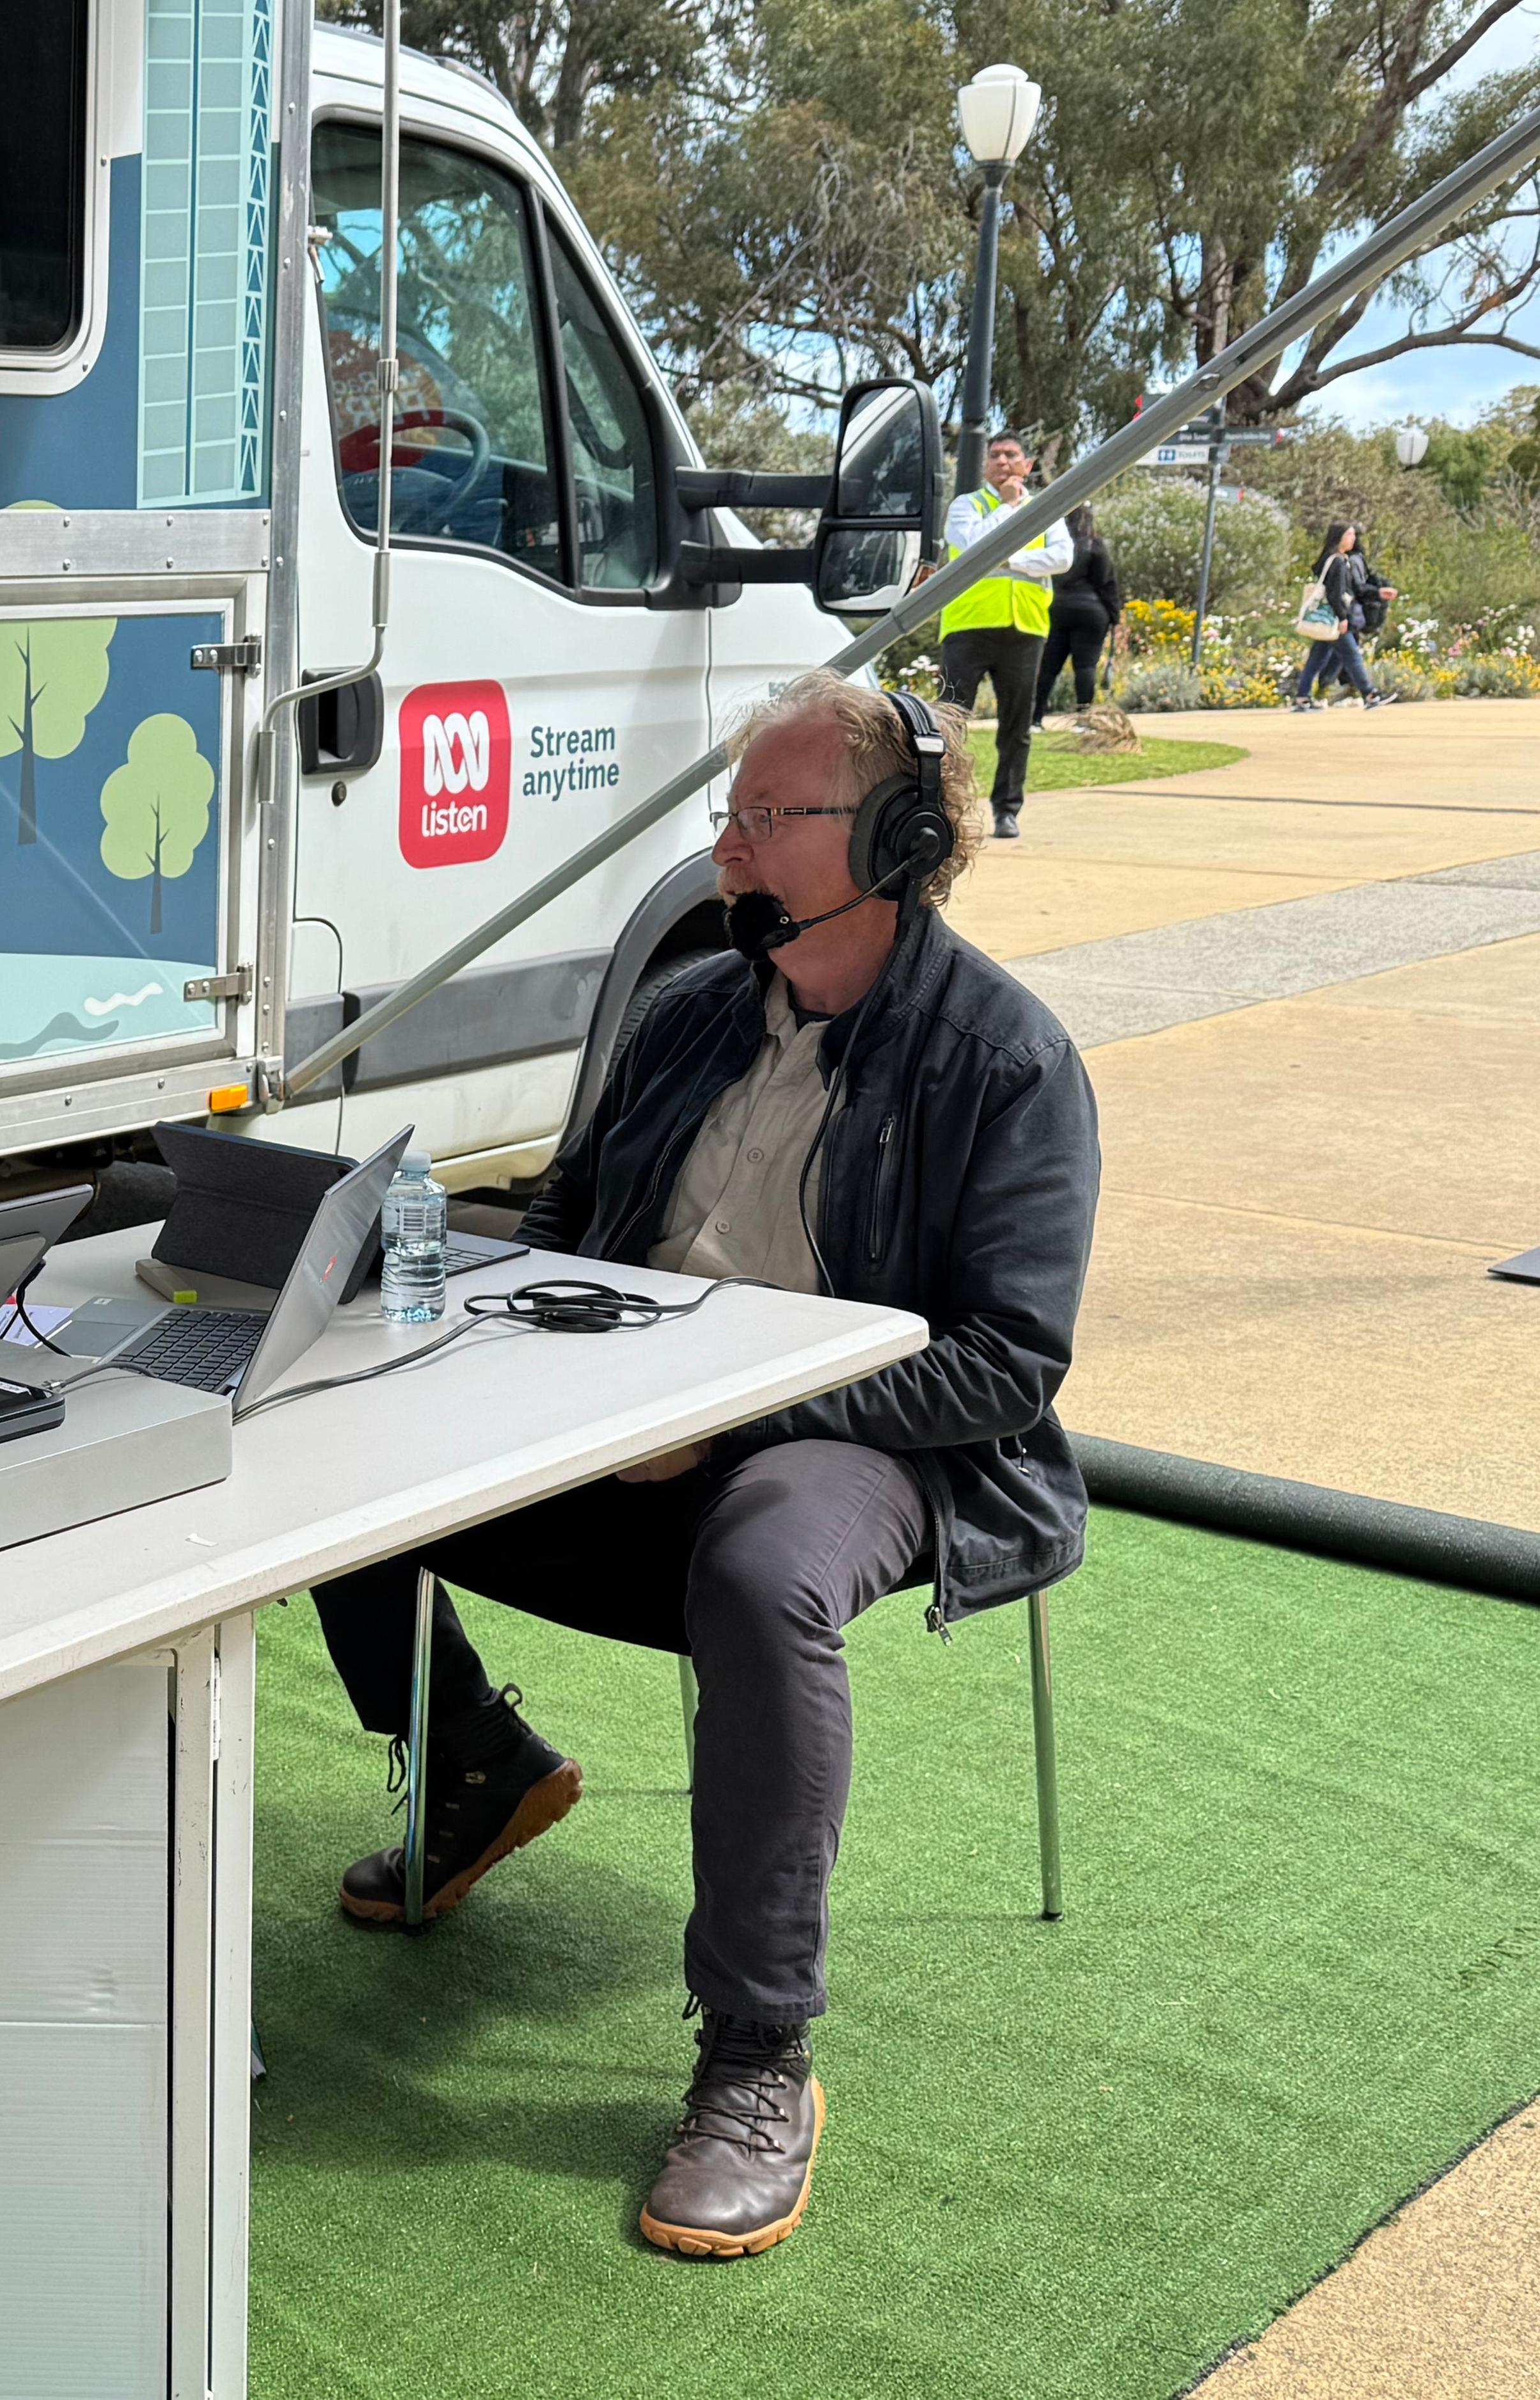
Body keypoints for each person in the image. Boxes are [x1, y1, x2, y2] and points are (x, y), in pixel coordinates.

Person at [304, 670, 1099, 2261]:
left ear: (892, 838)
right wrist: (463, 1315)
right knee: (340, 1445)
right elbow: (567, 1213)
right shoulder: (684, 1010)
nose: (725, 849)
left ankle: (757, 2048)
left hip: (866, 1431)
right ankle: (477, 1768)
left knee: (757, 1567)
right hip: (625, 1399)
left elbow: (1007, 1364)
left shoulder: (1008, 1059)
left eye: (764, 817)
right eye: (729, 816)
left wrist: (732, 1425)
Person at [934, 433, 1072, 840]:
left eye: (1011, 455)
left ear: (1027, 466)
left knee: (1017, 727)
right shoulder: (967, 506)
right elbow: (973, 545)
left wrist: (1011, 560)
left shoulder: (1045, 509)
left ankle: (1007, 810)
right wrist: (1009, 507)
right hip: (968, 626)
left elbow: (1063, 557)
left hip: (1025, 628)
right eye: (994, 455)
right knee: (948, 723)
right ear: (985, 466)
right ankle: (942, 805)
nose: (1002, 461)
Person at [1289, 525, 1390, 712]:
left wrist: (1378, 592)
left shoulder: (1337, 559)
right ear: (1339, 537)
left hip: (1331, 620)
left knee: (1317, 659)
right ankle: (1370, 695)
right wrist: (1343, 618)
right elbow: (1335, 594)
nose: (1353, 538)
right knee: (1352, 656)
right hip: (1336, 620)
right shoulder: (1337, 562)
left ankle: (1303, 698)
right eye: (1349, 534)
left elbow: (1354, 588)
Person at [1034, 503, 1120, 717]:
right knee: (1085, 666)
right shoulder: (1094, 544)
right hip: (1091, 611)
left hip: (1057, 608)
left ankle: (1035, 717)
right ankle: (1083, 716)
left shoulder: (1054, 546)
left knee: (1049, 666)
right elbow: (1105, 581)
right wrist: (1114, 615)